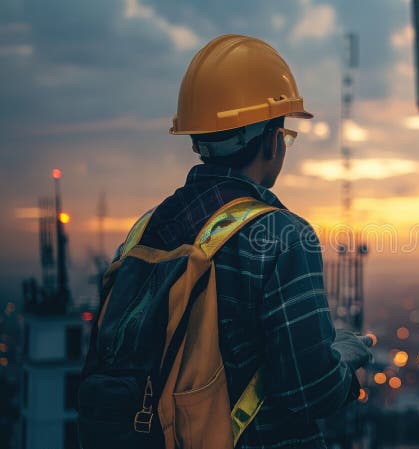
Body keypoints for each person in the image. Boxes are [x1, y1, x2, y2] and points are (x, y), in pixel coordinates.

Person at [140, 34, 372, 449]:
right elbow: (310, 391)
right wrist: (346, 361)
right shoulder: (281, 236)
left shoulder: (148, 228)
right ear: (272, 140)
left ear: (198, 140)